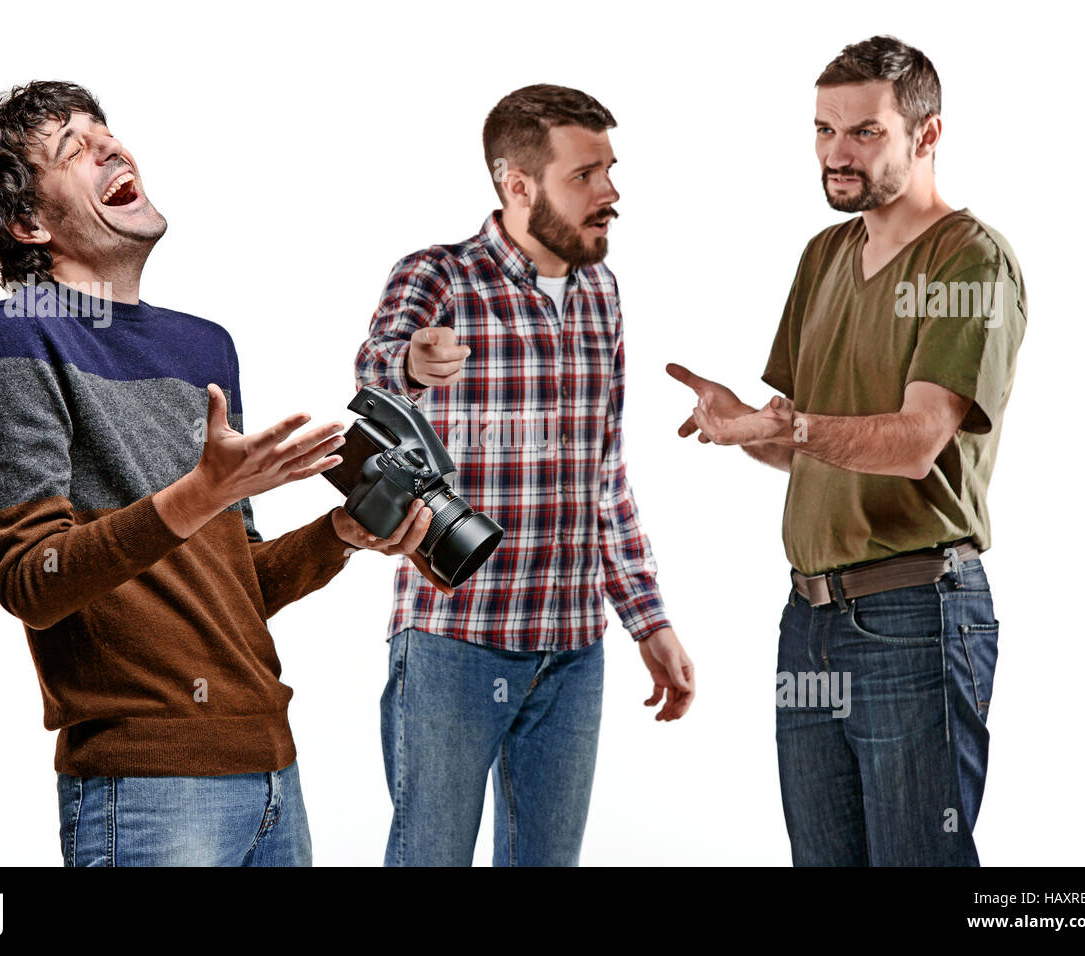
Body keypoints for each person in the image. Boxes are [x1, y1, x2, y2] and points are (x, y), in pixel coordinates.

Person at [0, 80, 443, 866]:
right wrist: (200, 493)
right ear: (30, 224)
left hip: (273, 771)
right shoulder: (19, 337)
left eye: (105, 131)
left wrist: (341, 532)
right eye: (73, 147)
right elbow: (31, 583)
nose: (108, 145)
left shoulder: (205, 347)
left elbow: (238, 585)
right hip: (146, 790)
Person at [669, 36, 1026, 865]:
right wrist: (748, 429)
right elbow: (811, 448)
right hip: (810, 620)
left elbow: (913, 444)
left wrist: (783, 426)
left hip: (915, 615)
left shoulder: (969, 260)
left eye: (864, 131)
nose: (836, 152)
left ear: (926, 135)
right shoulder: (824, 256)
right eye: (823, 129)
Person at [355, 84, 695, 867]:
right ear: (516, 186)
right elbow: (375, 375)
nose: (611, 193)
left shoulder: (602, 295)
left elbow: (603, 475)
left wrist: (648, 619)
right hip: (454, 641)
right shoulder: (438, 277)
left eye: (610, 170)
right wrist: (412, 362)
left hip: (574, 648)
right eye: (586, 175)